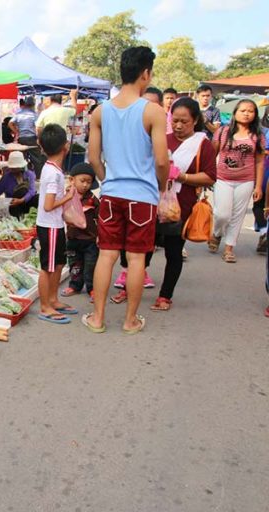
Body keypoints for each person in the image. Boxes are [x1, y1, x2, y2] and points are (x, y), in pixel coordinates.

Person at [84, 46, 170, 335]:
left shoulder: (100, 111)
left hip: (111, 194)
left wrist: (108, 180)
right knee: (135, 259)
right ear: (145, 73)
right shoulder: (154, 112)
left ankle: (97, 318)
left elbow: (94, 158)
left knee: (106, 255)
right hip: (142, 197)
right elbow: (161, 160)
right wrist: (160, 187)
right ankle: (130, 320)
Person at [148, 98, 217, 311]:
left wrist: (182, 177)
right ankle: (130, 285)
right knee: (143, 248)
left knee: (173, 251)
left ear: (195, 120)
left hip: (181, 205)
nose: (178, 126)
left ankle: (165, 295)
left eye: (184, 121)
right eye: (175, 120)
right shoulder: (162, 139)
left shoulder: (202, 144)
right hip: (153, 201)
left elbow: (210, 177)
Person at [33, 124, 79, 324]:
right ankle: (45, 306)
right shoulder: (52, 173)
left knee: (59, 264)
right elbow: (49, 204)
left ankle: (53, 299)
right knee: (48, 267)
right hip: (50, 225)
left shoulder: (54, 170)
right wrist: (68, 197)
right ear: (65, 146)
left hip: (55, 225)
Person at [209, 99, 264, 263]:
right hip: (223, 178)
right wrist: (207, 176)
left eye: (251, 111)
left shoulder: (257, 136)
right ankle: (217, 233)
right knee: (222, 214)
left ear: (255, 115)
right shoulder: (223, 131)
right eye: (243, 110)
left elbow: (260, 162)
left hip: (246, 180)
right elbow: (212, 154)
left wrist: (258, 186)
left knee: (237, 216)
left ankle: (229, 248)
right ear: (235, 113)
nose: (247, 113)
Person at [63, 163, 102, 299]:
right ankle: (75, 285)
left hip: (90, 239)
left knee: (90, 266)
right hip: (73, 238)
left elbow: (100, 217)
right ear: (72, 180)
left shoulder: (92, 199)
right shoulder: (67, 196)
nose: (85, 185)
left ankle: (92, 288)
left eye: (89, 182)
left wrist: (100, 236)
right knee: (75, 265)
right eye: (82, 181)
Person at [0, 152, 37, 217]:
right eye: (13, 168)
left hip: (27, 201)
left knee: (37, 198)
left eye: (16, 167)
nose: (14, 169)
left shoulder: (29, 174)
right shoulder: (6, 177)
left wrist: (22, 200)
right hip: (14, 204)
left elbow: (32, 191)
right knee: (14, 207)